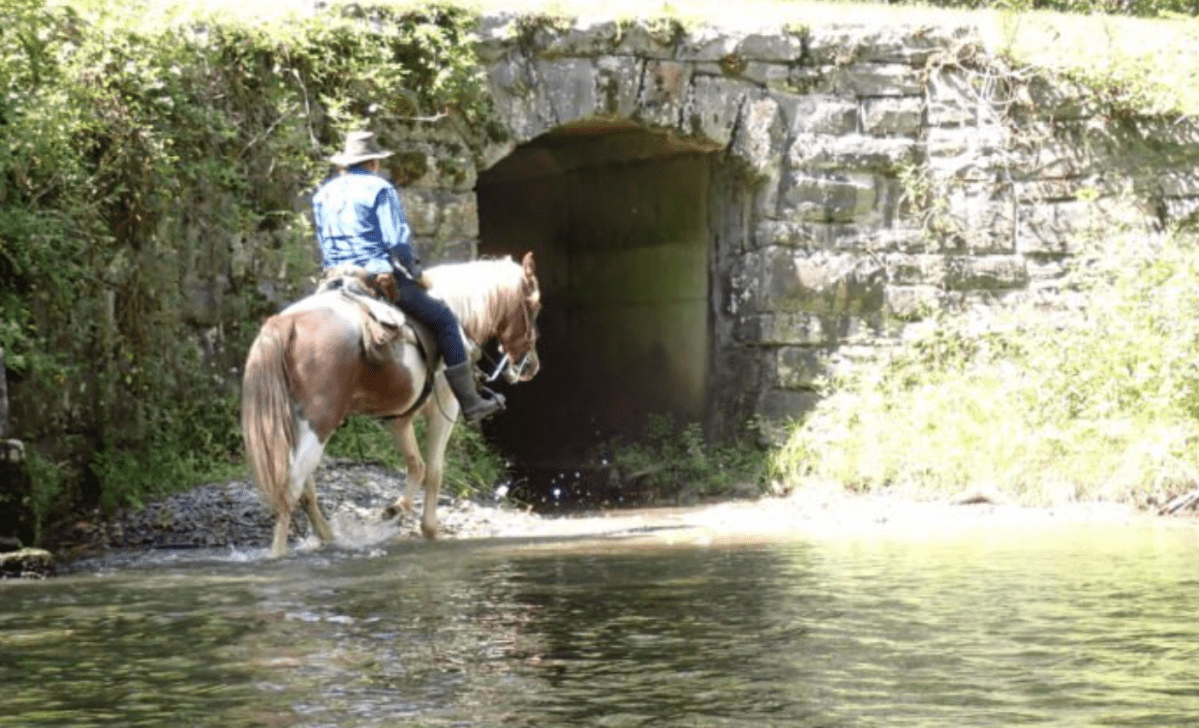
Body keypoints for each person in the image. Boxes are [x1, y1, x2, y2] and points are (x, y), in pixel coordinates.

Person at [311, 130, 504, 424]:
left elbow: (323, 241)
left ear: (346, 164)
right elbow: (397, 242)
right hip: (373, 276)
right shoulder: (379, 188)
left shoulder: (323, 193)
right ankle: (472, 402)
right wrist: (414, 272)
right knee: (444, 320)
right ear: (374, 162)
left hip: (334, 277)